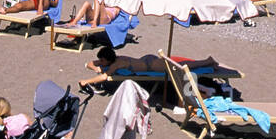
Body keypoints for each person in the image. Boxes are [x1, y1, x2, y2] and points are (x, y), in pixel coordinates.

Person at [80, 46, 224, 89]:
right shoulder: (113, 60)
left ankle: (207, 61)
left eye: (101, 60)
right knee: (179, 65)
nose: (100, 62)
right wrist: (96, 68)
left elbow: (104, 77)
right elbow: (89, 63)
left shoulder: (117, 64)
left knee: (181, 67)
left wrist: (87, 81)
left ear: (107, 59)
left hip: (152, 66)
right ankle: (207, 61)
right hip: (146, 60)